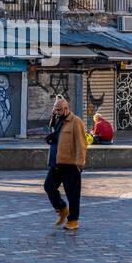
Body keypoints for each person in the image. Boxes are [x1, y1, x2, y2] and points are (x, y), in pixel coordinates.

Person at [43, 95, 87, 232]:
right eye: (54, 109)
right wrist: (53, 117)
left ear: (66, 109)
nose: (56, 112)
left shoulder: (76, 122)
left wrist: (80, 162)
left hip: (70, 164)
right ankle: (62, 208)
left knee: (72, 193)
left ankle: (73, 220)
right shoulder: (56, 120)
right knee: (48, 186)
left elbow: (82, 144)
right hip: (56, 163)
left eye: (58, 109)